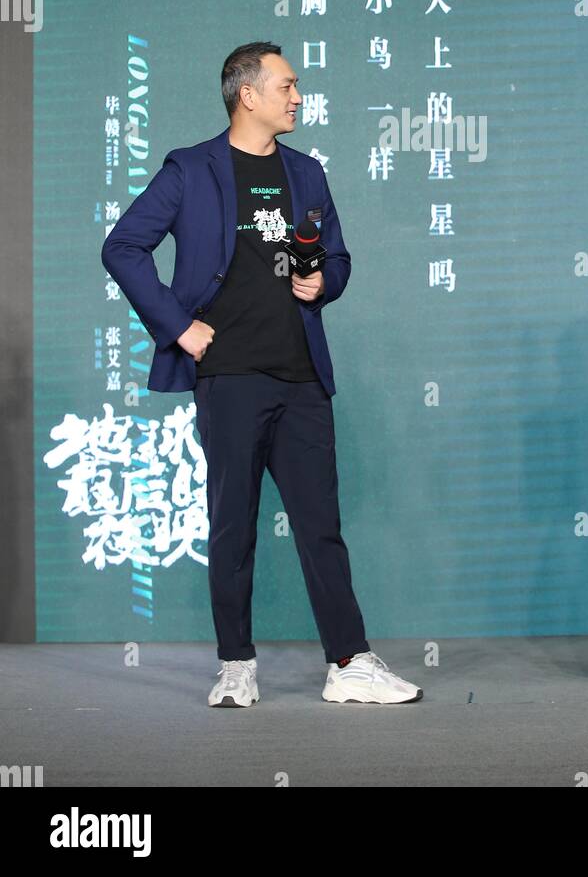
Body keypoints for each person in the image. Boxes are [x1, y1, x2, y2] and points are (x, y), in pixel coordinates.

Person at [101, 40, 422, 708]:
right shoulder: (192, 170)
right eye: (287, 85)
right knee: (233, 524)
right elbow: (122, 246)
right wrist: (178, 326)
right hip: (230, 373)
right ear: (248, 94)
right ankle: (236, 665)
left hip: (302, 375)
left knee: (320, 527)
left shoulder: (307, 172)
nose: (298, 96)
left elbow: (338, 257)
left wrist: (321, 282)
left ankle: (348, 661)